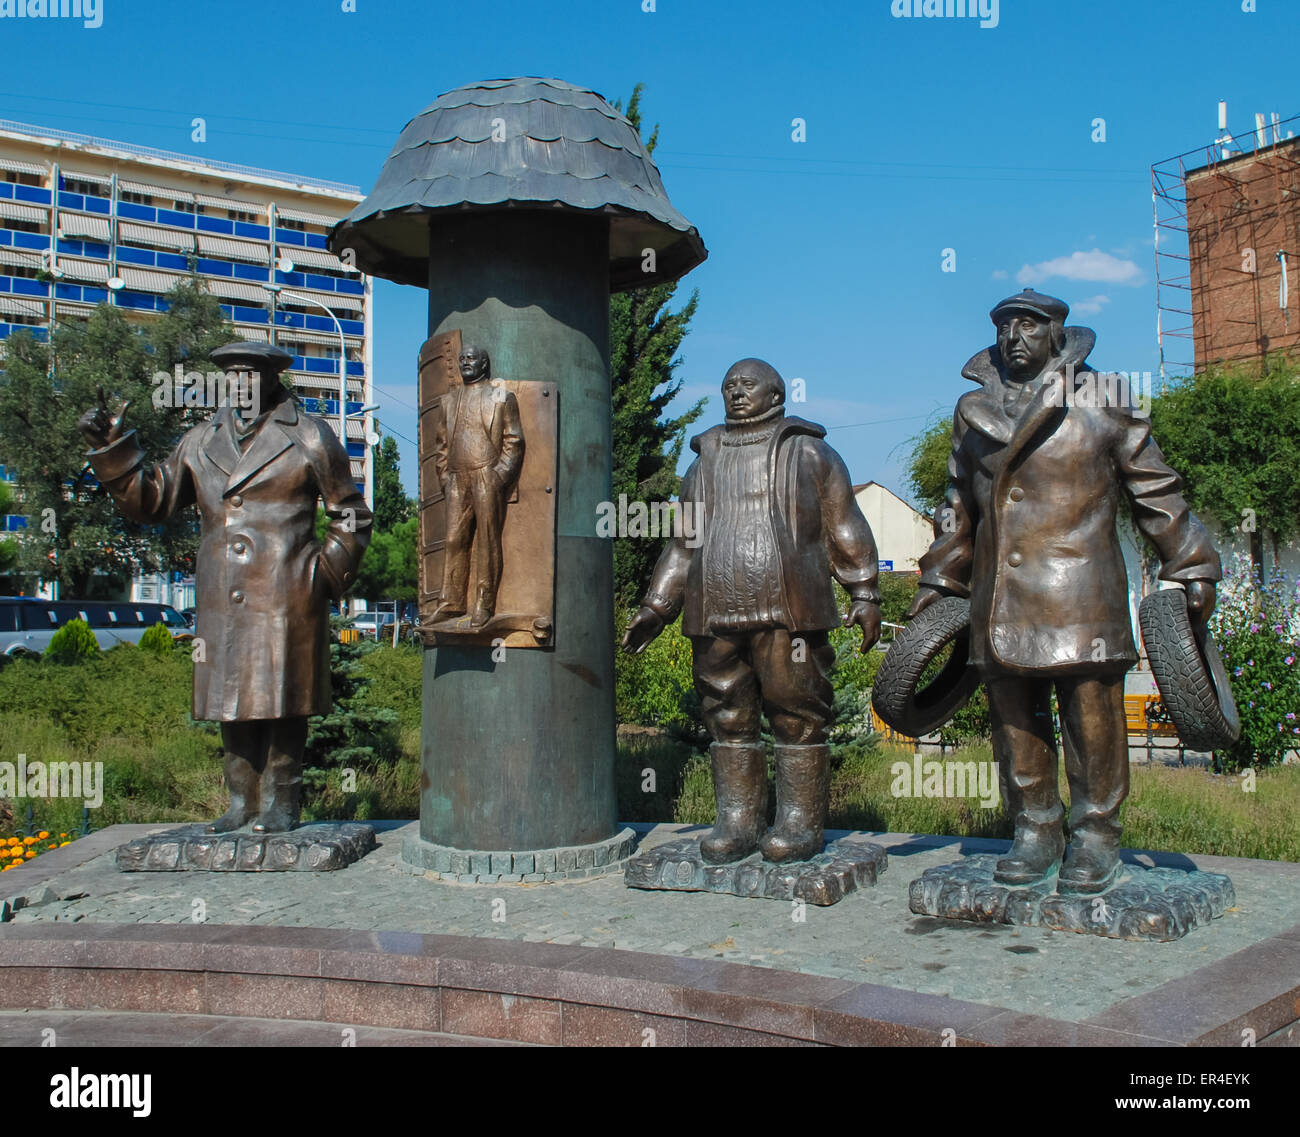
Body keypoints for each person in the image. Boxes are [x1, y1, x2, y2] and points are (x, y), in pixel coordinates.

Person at [908, 290, 1220, 893]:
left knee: (1091, 718)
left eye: (1028, 326)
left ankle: (1098, 832)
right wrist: (940, 578)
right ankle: (1035, 829)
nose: (1013, 337)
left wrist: (1191, 562)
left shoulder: (1104, 399)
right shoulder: (972, 410)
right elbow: (957, 507)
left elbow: (1154, 490)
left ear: (1058, 334)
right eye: (1004, 327)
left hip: (1081, 592)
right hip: (999, 598)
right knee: (1015, 721)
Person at [78, 342, 372, 833]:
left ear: (272, 379)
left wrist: (321, 576)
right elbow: (153, 500)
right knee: (230, 700)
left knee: (283, 699)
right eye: (232, 375)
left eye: (249, 375)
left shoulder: (310, 436)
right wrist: (115, 452)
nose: (240, 384)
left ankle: (281, 803)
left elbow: (351, 515)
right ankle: (241, 803)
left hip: (286, 591)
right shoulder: (198, 440)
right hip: (222, 595)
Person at [624, 358, 880, 864]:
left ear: (776, 395)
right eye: (728, 386)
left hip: (789, 611)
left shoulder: (808, 453)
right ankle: (737, 821)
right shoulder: (704, 462)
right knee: (727, 714)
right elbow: (682, 544)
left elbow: (843, 524)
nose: (736, 393)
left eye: (748, 385)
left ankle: (799, 824)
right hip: (714, 609)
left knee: (797, 712)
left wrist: (865, 591)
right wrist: (657, 605)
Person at [430, 345, 524, 627]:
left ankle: (484, 603)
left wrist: (499, 475)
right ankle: (451, 602)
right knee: (453, 540)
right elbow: (441, 446)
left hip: (486, 474)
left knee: (487, 540)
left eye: (471, 359)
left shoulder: (501, 396)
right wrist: (445, 478)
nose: (465, 363)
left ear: (484, 364)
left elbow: (514, 440)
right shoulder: (449, 400)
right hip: (457, 478)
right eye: (462, 359)